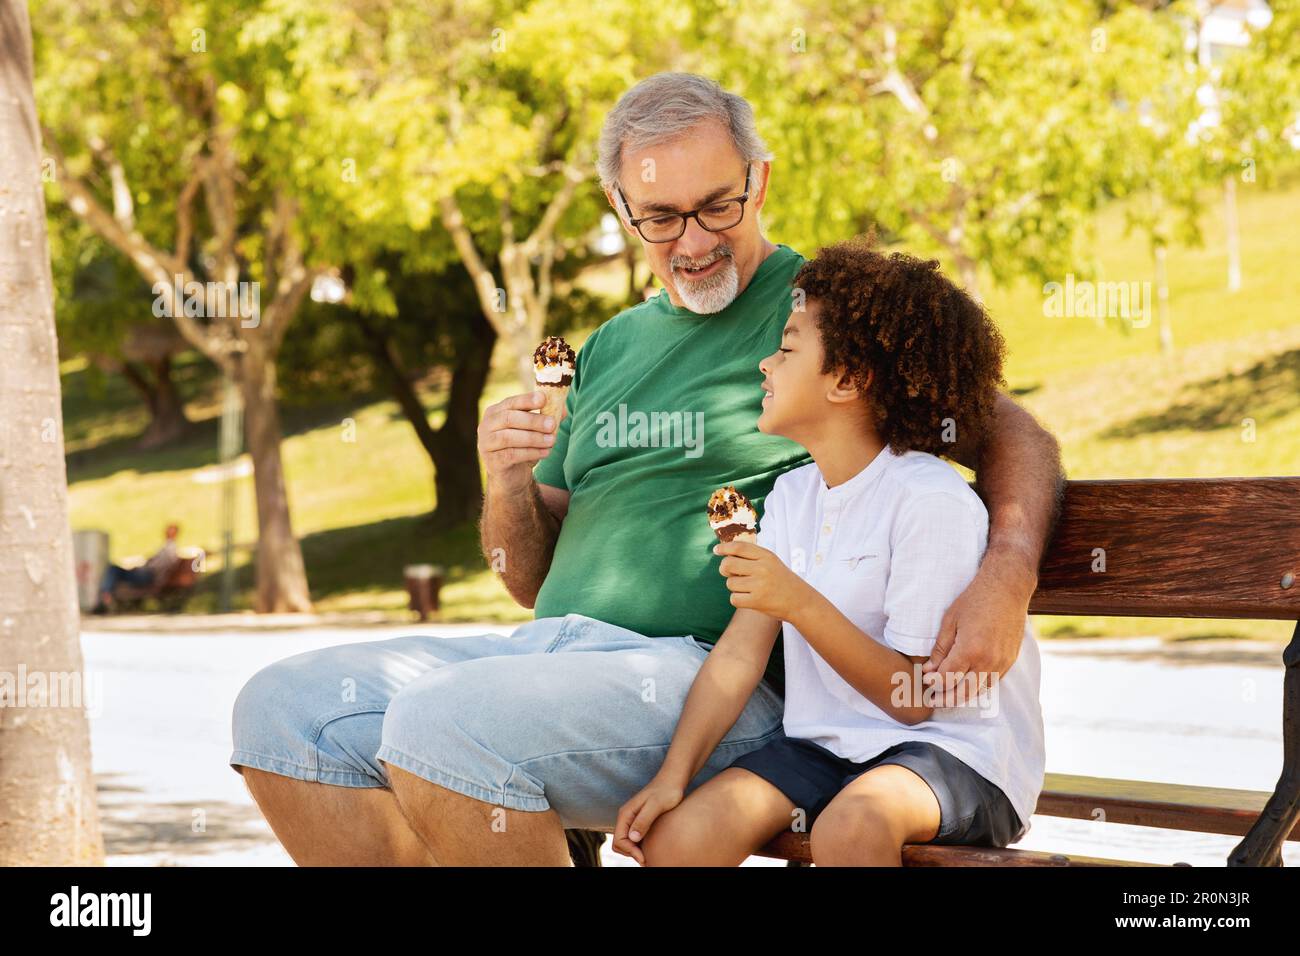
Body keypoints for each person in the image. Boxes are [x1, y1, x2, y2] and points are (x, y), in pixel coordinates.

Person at [229, 72, 1064, 867]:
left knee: (445, 725)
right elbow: (526, 578)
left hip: (709, 680)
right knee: (284, 714)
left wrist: (1010, 570)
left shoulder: (827, 314)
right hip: (550, 654)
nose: (694, 243)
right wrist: (506, 478)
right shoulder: (610, 347)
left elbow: (1007, 426)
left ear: (759, 181)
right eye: (661, 217)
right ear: (619, 207)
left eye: (717, 207)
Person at [612, 237, 1045, 866]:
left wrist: (799, 601)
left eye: (787, 348)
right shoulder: (793, 496)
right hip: (829, 751)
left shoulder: (927, 500)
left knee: (852, 824)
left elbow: (915, 699)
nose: (766, 365)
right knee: (678, 839)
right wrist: (673, 778)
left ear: (846, 380)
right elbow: (739, 653)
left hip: (955, 755)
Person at [93, 523, 181, 614]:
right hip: (147, 573)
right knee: (116, 570)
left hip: (149, 575)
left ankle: (105, 597)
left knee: (114, 569)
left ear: (175, 533)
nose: (167, 532)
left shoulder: (171, 548)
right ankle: (106, 596)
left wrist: (145, 566)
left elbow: (160, 565)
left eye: (170, 531)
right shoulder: (167, 546)